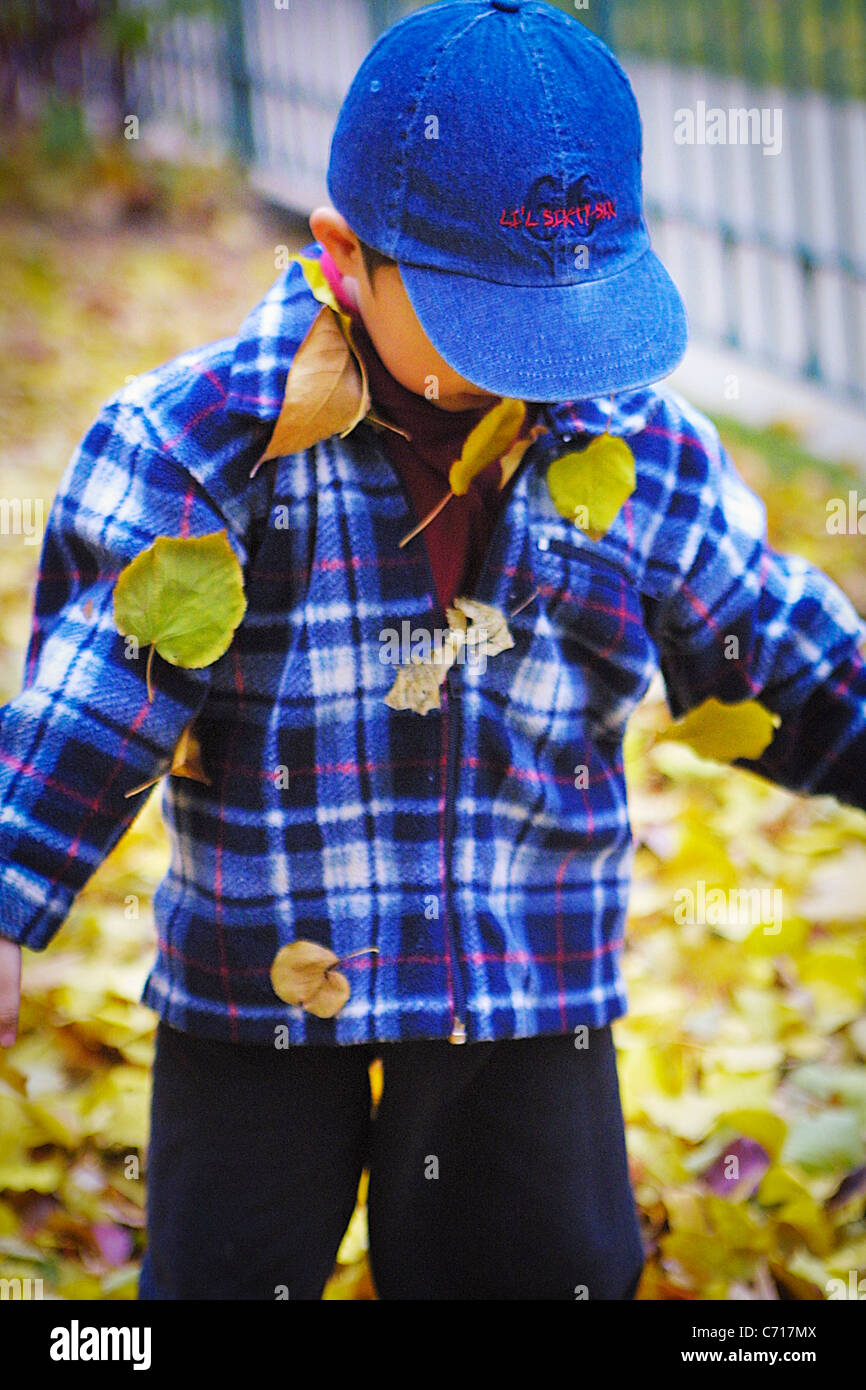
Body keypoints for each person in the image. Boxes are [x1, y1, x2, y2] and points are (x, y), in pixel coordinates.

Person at [0, 0, 863, 1301]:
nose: (544, 368)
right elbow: (96, 691)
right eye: (489, 325)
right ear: (345, 254)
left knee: (539, 1272)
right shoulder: (198, 439)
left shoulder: (631, 449)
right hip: (258, 983)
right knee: (226, 1277)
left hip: (525, 982)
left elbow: (770, 645)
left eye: (573, 316)